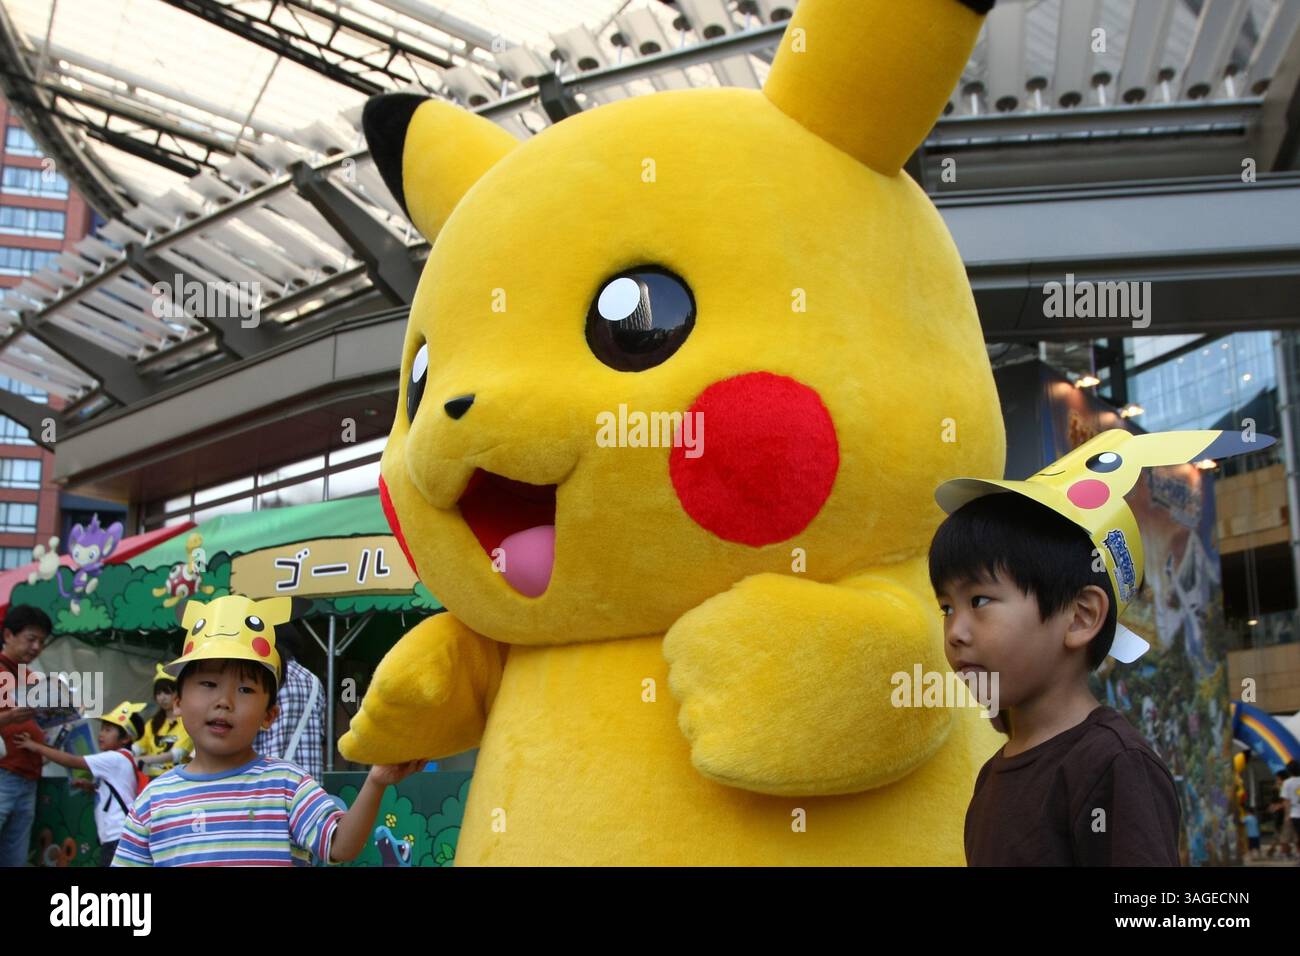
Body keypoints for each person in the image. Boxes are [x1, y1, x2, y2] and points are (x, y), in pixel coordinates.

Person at [929, 491, 1180, 866]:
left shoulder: (1114, 764)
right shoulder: (991, 775)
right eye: (947, 607)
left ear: (1080, 617)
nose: (955, 632)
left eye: (979, 600)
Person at [112, 594, 422, 866]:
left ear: (269, 715)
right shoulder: (153, 800)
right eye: (208, 684)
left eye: (245, 689)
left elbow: (340, 846)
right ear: (178, 702)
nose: (224, 701)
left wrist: (376, 782)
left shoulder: (287, 785)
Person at [14, 701, 147, 866]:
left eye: (108, 730)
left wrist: (35, 746)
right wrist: (92, 787)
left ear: (125, 738)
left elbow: (72, 761)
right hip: (119, 835)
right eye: (102, 729)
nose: (101, 734)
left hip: (116, 836)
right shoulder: (124, 759)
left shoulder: (115, 758)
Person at [0, 605, 53, 867]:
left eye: (41, 642)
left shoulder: (32, 679)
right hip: (4, 772)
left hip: (28, 776)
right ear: (8, 635)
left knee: (15, 856)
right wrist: (10, 717)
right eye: (31, 639)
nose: (36, 647)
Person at [253, 624, 325, 779]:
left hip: (269, 784)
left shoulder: (266, 677)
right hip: (309, 786)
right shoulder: (313, 681)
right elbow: (321, 731)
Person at [134, 664, 192, 777]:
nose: (162, 697)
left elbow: (178, 754)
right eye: (158, 693)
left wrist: (141, 759)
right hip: (153, 779)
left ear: (178, 693)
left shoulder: (187, 722)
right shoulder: (152, 723)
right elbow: (139, 746)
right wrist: (123, 755)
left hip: (177, 779)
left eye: (167, 692)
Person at [1268, 760, 1300, 860]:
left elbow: (1287, 801)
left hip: (1294, 814)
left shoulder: (1287, 783)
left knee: (1296, 835)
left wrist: (1287, 816)